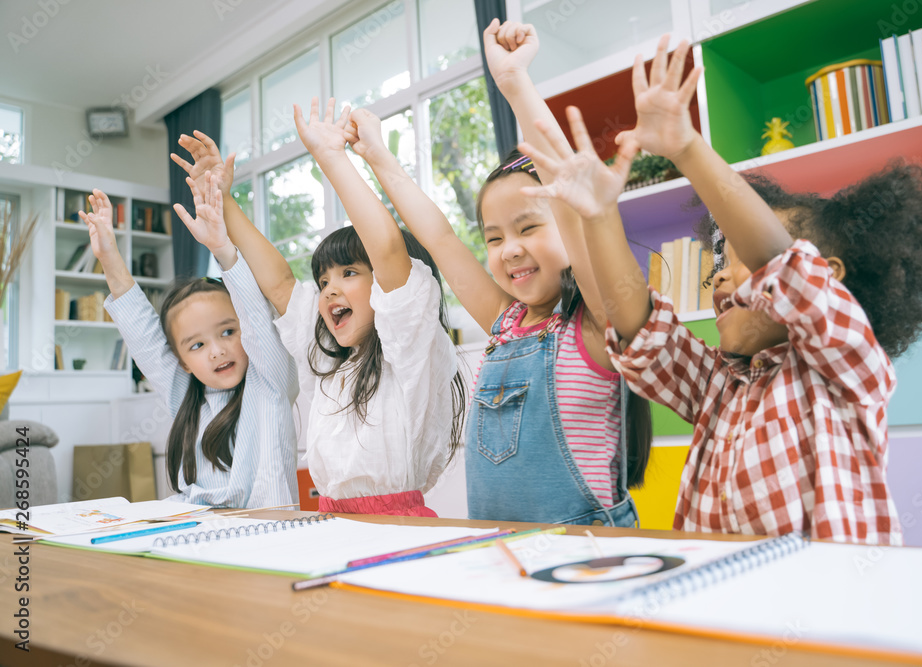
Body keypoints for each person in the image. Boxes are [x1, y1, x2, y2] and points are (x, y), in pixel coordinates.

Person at [517, 34, 922, 545]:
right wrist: (599, 216)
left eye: (741, 261)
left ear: (828, 277)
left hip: (832, 614)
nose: (720, 276)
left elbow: (783, 267)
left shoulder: (849, 365)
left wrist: (686, 148)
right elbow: (637, 329)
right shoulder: (717, 386)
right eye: (721, 261)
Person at [349, 19, 653, 526]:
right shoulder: (506, 322)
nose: (509, 249)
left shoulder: (599, 323)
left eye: (528, 227)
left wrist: (514, 82)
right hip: (499, 550)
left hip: (590, 556)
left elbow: (568, 184)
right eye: (493, 237)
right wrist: (378, 158)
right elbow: (441, 238)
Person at [170, 103, 464, 517]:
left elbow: (388, 251)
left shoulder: (411, 347)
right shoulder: (328, 360)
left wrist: (332, 158)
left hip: (397, 525)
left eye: (348, 273)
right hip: (330, 521)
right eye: (324, 280)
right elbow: (280, 284)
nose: (329, 290)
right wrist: (224, 200)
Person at [82, 177, 298, 507]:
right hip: (195, 529)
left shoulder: (269, 382)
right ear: (182, 360)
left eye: (228, 331)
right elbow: (144, 338)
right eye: (196, 345)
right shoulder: (186, 393)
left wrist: (223, 249)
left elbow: (256, 316)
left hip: (264, 536)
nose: (217, 350)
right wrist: (109, 256)